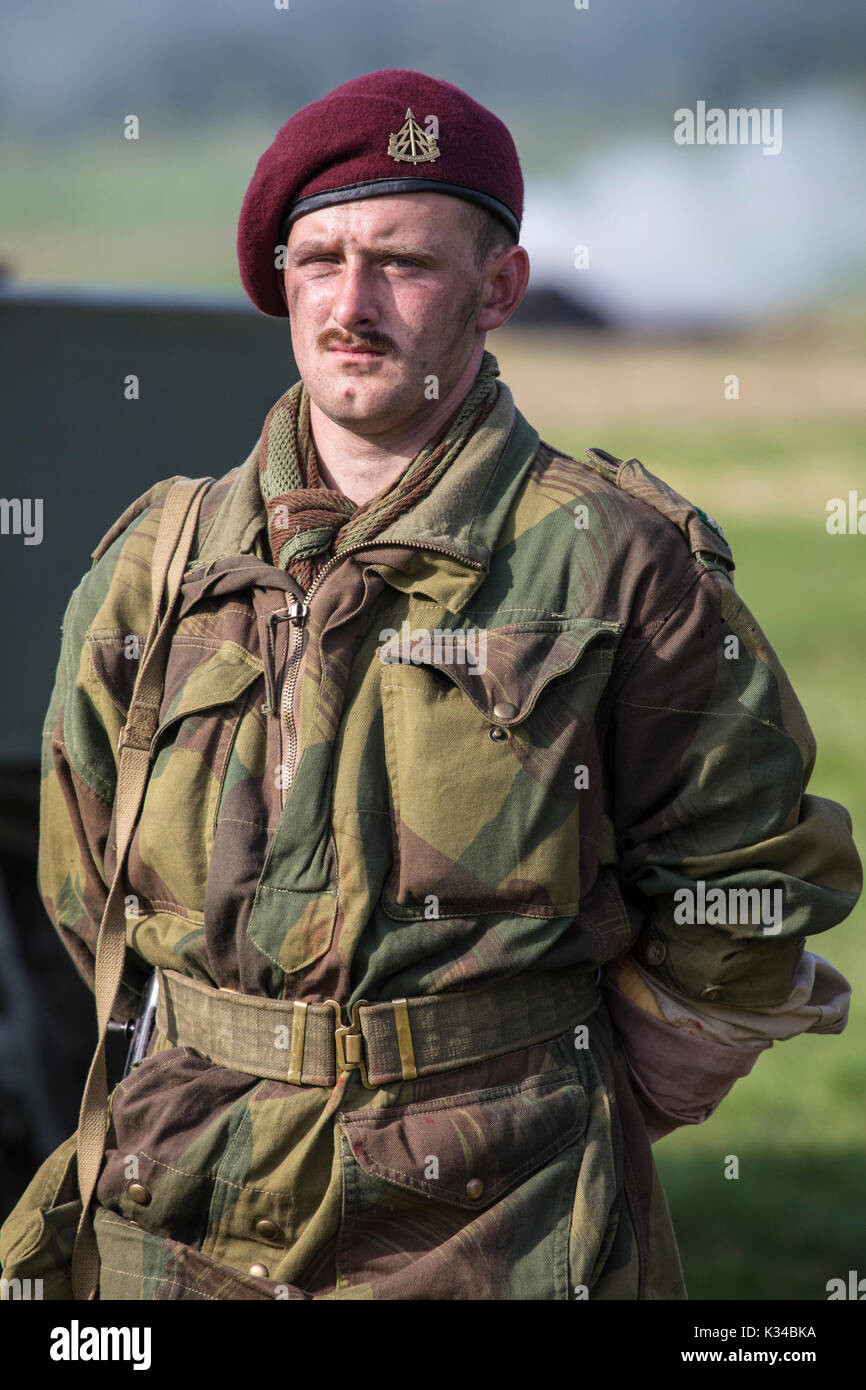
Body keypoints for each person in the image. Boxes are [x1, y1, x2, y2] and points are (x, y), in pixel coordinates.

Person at [1, 69, 860, 1302]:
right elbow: (82, 878)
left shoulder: (614, 560)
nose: (351, 305)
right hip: (179, 1207)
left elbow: (745, 881)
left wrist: (593, 1089)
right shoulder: (162, 558)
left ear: (497, 290)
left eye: (401, 264)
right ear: (279, 282)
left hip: (496, 1222)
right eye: (320, 261)